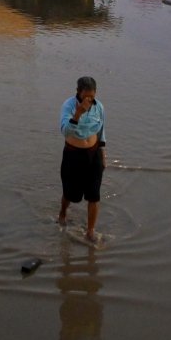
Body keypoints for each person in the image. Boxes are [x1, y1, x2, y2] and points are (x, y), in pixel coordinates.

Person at [58, 75, 106, 242]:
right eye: (86, 96)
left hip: (93, 154)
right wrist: (78, 114)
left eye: (92, 96)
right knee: (70, 193)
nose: (89, 100)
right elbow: (65, 131)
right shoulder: (68, 106)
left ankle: (90, 231)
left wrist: (103, 155)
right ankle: (62, 212)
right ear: (78, 92)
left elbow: (101, 131)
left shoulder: (99, 107)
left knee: (94, 195)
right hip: (73, 154)